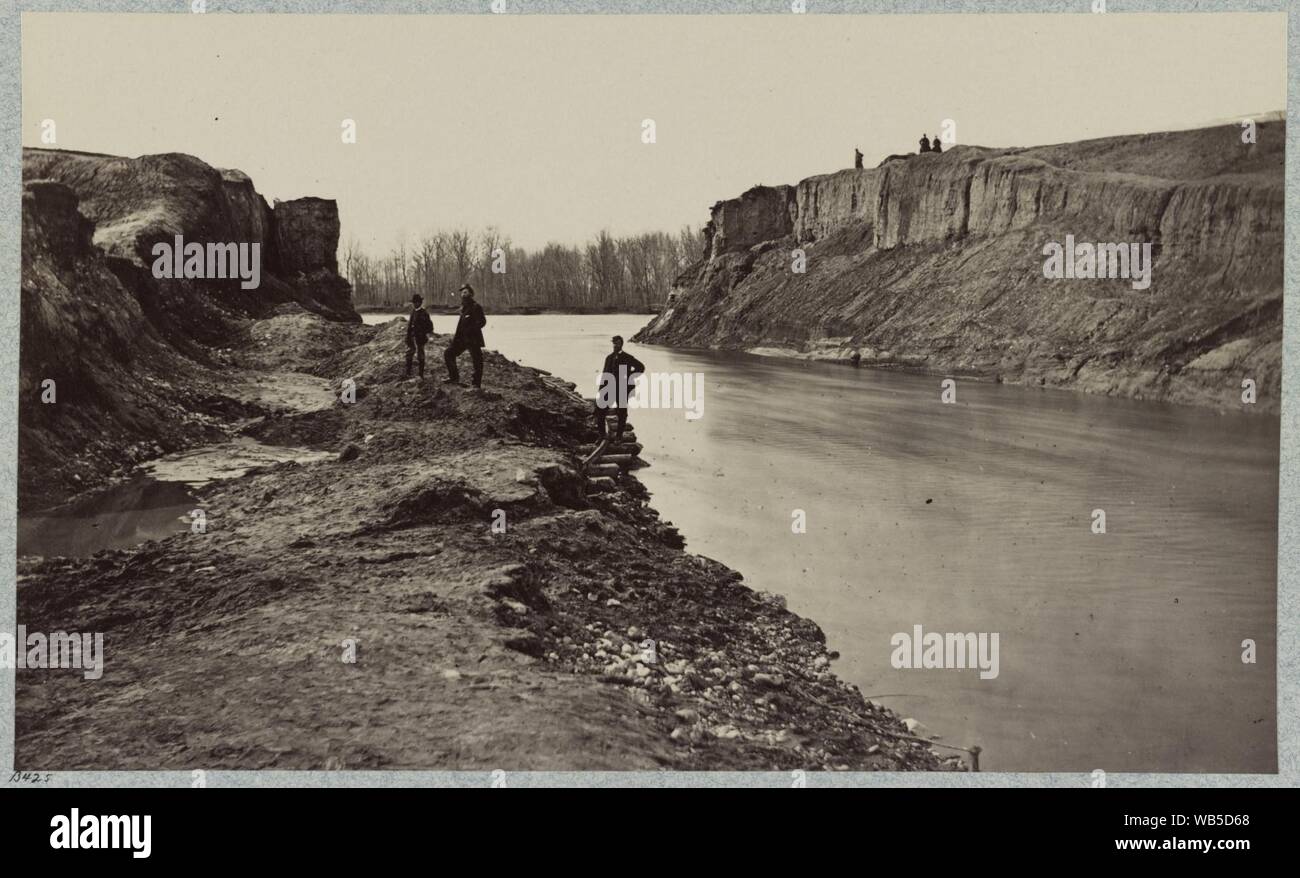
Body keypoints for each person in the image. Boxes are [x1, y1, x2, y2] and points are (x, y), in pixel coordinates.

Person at [594, 335, 645, 442]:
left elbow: (641, 368)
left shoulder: (628, 357)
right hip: (608, 388)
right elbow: (604, 374)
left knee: (621, 413)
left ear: (621, 344)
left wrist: (628, 375)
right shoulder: (609, 358)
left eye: (617, 343)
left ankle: (619, 437)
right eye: (613, 343)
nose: (615, 345)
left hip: (622, 388)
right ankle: (602, 435)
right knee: (600, 411)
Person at [444, 283, 487, 388]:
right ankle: (454, 378)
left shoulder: (476, 307)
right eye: (462, 292)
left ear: (471, 294)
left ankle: (476, 384)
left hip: (473, 340)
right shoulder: (463, 308)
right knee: (448, 353)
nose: (463, 294)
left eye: (465, 292)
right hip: (461, 340)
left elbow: (482, 321)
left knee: (477, 361)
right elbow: (460, 326)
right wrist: (455, 340)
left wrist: (472, 330)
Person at [404, 294, 433, 379]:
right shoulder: (413, 311)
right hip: (412, 337)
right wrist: (408, 336)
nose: (415, 304)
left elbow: (430, 327)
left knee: (420, 355)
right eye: (414, 302)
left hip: (420, 338)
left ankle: (421, 374)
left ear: (420, 303)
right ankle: (408, 372)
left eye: (416, 302)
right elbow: (410, 325)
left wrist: (422, 333)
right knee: (409, 354)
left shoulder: (424, 313)